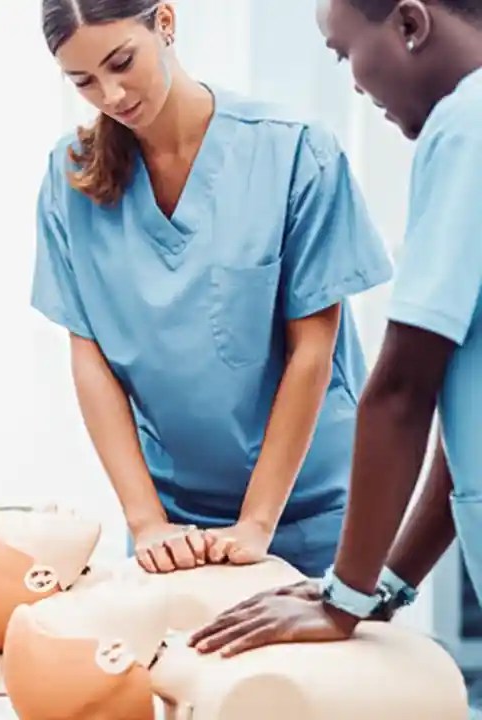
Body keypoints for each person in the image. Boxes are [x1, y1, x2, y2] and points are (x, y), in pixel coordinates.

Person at [33, 0, 393, 579]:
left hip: (314, 512)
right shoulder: (70, 176)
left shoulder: (293, 151)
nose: (112, 95)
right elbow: (90, 357)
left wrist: (256, 523)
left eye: (122, 62)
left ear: (165, 23)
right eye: (84, 81)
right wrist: (147, 522)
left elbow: (312, 351)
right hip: (175, 523)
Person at [189, 0, 482, 658]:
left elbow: (402, 390)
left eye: (345, 52)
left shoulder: (466, 128)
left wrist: (342, 600)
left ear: (409, 25)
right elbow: (463, 442)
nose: (352, 81)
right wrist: (383, 586)